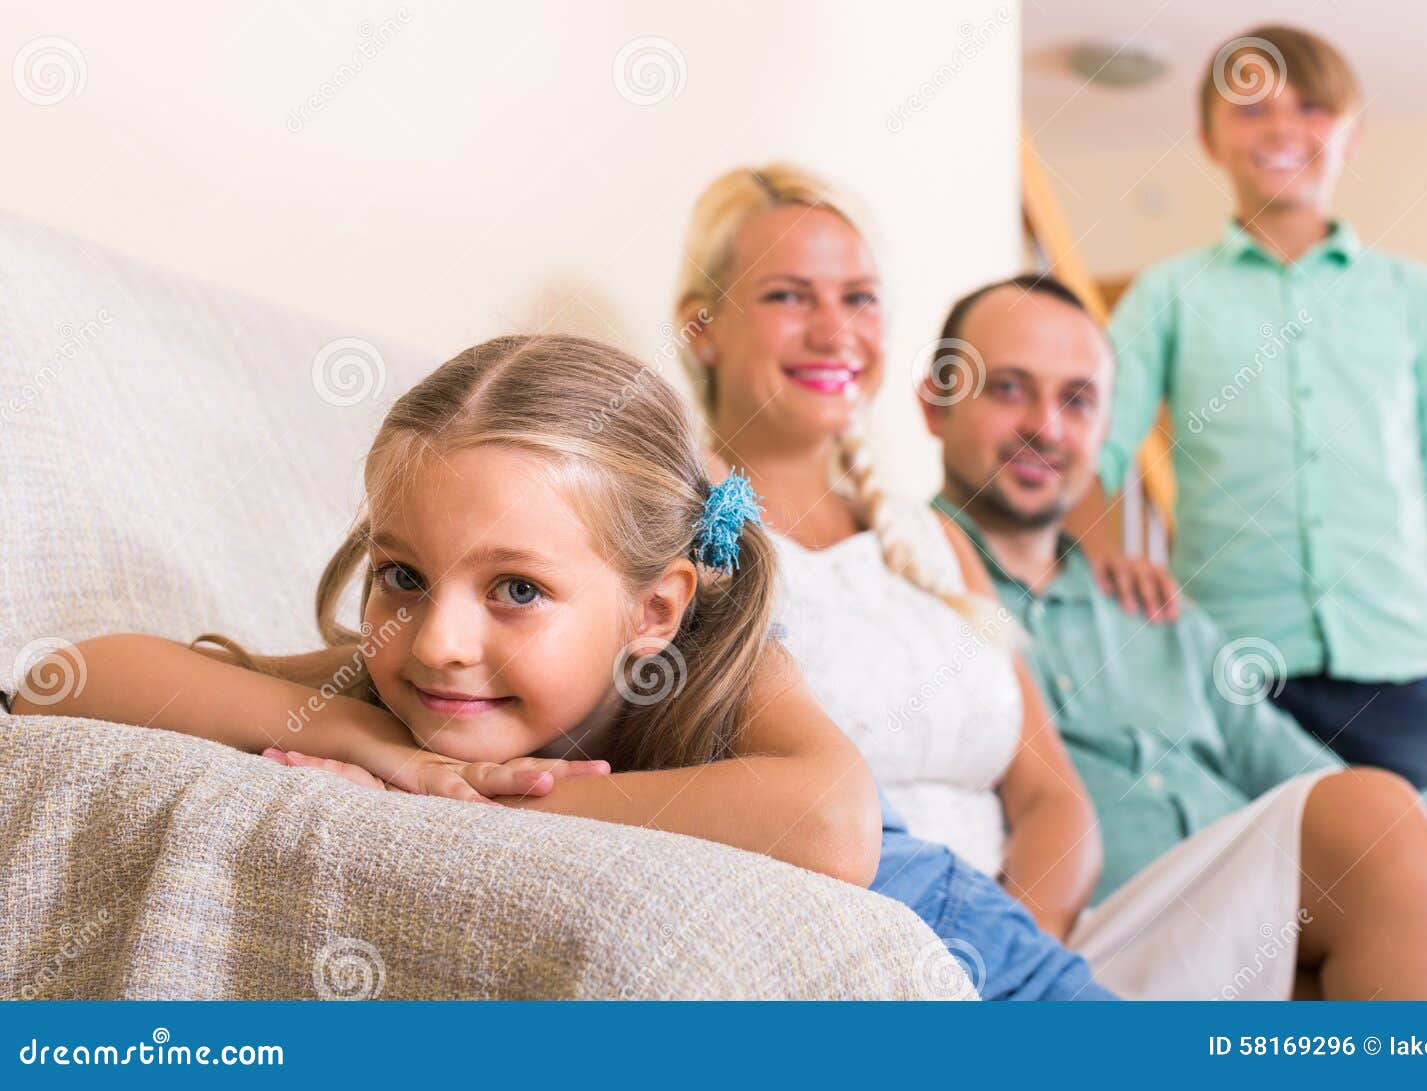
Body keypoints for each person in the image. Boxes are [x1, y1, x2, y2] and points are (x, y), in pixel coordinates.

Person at [673, 161, 1427, 999]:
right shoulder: (685, 544)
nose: (834, 332)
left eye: (858, 298)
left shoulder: (932, 543)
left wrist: (1018, 964)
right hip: (890, 953)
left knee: (1367, 815)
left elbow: (1054, 799)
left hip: (1038, 938)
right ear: (702, 323)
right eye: (788, 295)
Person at [924, 271, 1427, 999]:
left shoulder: (1160, 622)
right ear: (936, 401)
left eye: (1077, 400)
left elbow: (1395, 822)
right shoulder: (905, 591)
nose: (1047, 427)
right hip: (1157, 963)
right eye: (1008, 389)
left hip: (1316, 925)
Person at [13, 334, 882, 888]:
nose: (437, 640)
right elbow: (59, 681)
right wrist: (367, 744)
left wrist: (474, 804)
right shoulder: (399, 689)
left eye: (518, 590)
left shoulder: (723, 665)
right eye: (404, 574)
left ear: (653, 609)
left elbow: (838, 825)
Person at [1067, 25, 1427, 789]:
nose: (1280, 128)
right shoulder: (1167, 295)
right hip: (1230, 675)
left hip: (1399, 675)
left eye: (1310, 107)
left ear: (1352, 135)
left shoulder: (1413, 297)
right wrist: (1109, 565)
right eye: (1250, 109)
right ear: (1206, 137)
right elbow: (1087, 450)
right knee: (1256, 896)